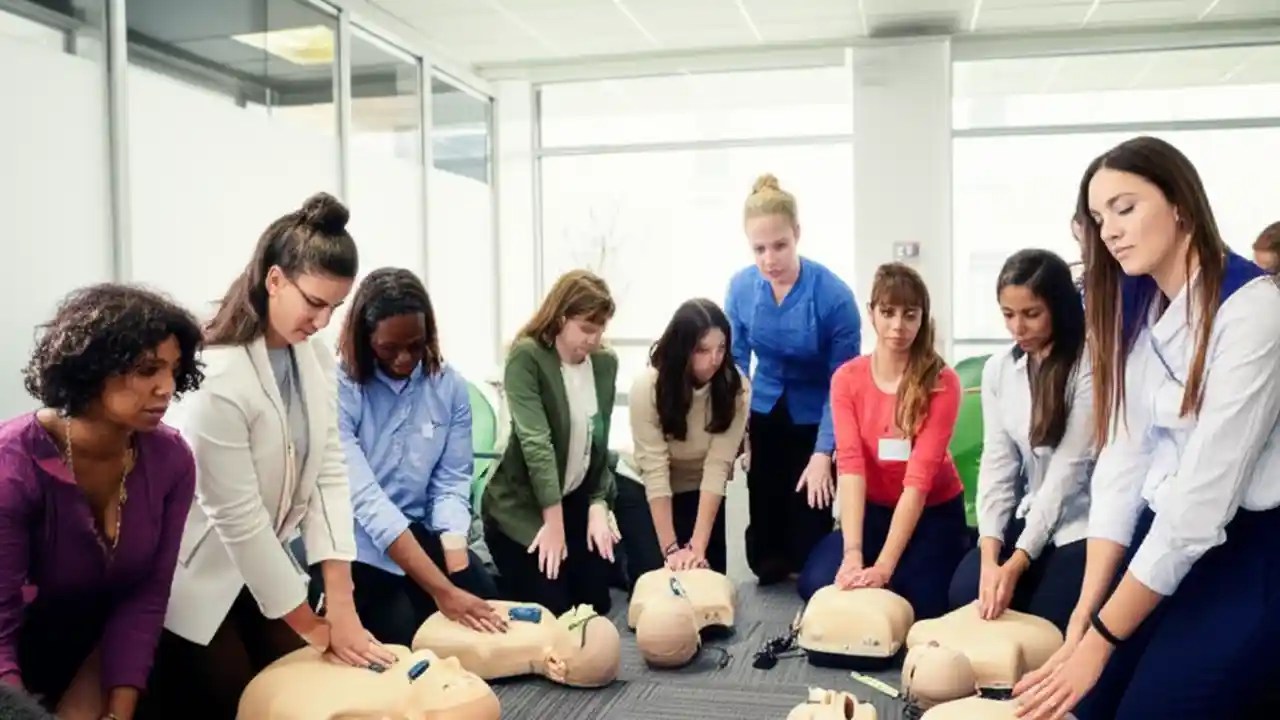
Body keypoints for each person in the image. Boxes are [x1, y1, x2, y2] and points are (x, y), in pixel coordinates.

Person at [1012, 136, 1280, 720]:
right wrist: (1087, 613)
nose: (1109, 230)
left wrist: (1103, 640)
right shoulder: (1142, 307)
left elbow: (1201, 505)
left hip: (1246, 552)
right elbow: (1123, 465)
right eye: (1099, 217)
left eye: (1125, 207)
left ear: (1180, 203)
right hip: (1162, 537)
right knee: (1083, 703)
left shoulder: (1254, 311)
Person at [146, 193, 394, 720]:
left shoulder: (314, 359)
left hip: (266, 569)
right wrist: (313, 625)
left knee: (312, 688)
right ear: (274, 279)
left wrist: (341, 603)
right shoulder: (217, 378)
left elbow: (329, 472)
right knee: (243, 695)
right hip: (196, 579)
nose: (324, 321)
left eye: (335, 307)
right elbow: (237, 519)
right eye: (314, 303)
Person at [0, 284, 204, 720]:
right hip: (16, 660)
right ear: (93, 368)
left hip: (110, 651)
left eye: (174, 369)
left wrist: (118, 709)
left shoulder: (171, 459)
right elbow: (1, 627)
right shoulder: (12, 466)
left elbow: (147, 594)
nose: (167, 387)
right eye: (148, 369)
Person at [331, 267, 505, 646]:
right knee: (406, 633)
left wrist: (457, 564)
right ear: (364, 338)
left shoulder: (449, 386)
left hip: (419, 530)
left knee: (486, 607)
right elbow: (368, 503)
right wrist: (441, 589)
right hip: (356, 544)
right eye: (389, 348)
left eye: (415, 344)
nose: (404, 358)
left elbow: (451, 481)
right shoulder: (340, 386)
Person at [797, 263, 969, 621]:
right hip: (874, 510)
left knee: (918, 600)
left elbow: (918, 483)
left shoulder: (942, 382)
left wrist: (885, 566)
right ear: (871, 314)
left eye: (910, 314)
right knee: (816, 582)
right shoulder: (847, 379)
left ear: (923, 318)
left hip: (932, 511)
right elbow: (850, 466)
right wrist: (853, 553)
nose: (898, 326)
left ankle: (952, 547)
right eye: (887, 313)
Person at [725, 173, 862, 585]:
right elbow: (734, 358)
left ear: (797, 234)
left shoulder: (834, 297)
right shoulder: (741, 287)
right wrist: (739, 425)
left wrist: (824, 453)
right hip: (765, 408)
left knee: (808, 557)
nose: (770, 259)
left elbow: (843, 384)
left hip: (815, 412)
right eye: (759, 249)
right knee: (765, 561)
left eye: (780, 245)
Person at [946, 249, 1092, 632]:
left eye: (1031, 314)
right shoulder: (999, 370)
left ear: (1058, 307)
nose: (1017, 328)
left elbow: (1066, 475)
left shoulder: (1089, 366)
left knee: (1044, 617)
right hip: (1030, 515)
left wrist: (1018, 562)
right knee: (966, 594)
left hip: (1082, 522)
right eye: (1008, 315)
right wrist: (991, 555)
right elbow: (998, 465)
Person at [481, 269, 620, 616]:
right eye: (586, 329)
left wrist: (599, 504)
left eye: (601, 328)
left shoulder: (604, 364)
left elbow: (599, 445)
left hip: (572, 497)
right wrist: (552, 525)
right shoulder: (527, 357)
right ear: (561, 319)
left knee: (594, 603)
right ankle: (497, 573)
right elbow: (536, 443)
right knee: (553, 610)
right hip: (523, 505)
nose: (594, 338)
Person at [617, 298, 750, 582]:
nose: (714, 359)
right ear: (682, 350)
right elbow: (655, 470)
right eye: (702, 350)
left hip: (698, 486)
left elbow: (718, 466)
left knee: (708, 587)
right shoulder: (647, 388)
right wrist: (671, 549)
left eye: (721, 348)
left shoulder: (735, 388)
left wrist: (697, 546)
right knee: (658, 585)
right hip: (645, 486)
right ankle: (620, 553)